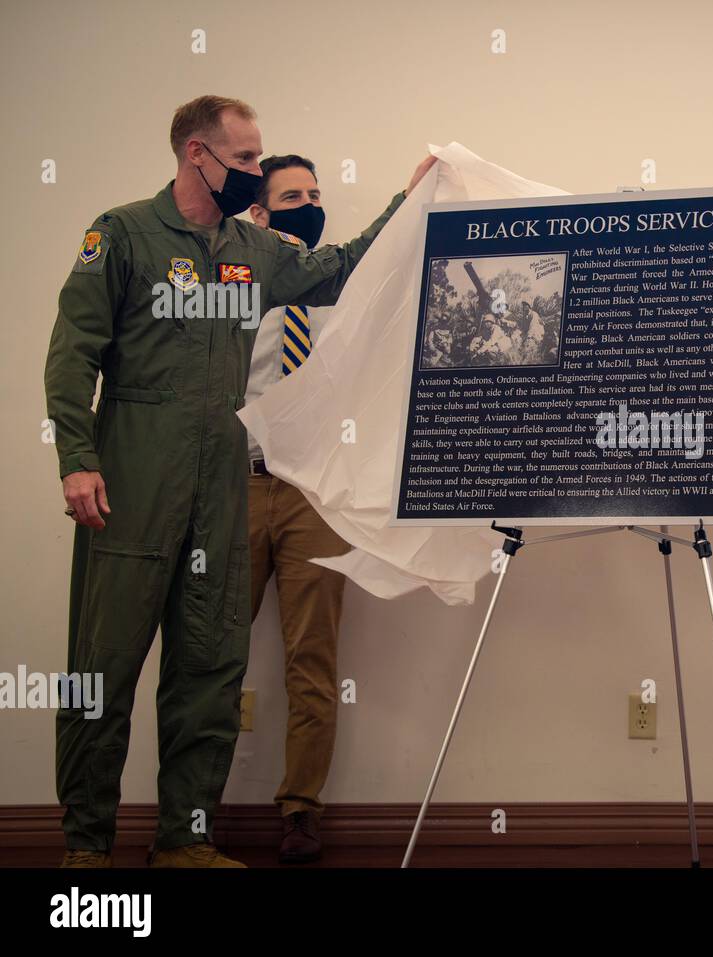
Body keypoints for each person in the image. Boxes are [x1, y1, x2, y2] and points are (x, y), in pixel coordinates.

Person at [46, 95, 435, 867]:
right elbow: (72, 352)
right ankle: (85, 845)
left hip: (222, 477)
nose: (257, 173)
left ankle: (185, 839)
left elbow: (341, 267)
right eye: (248, 160)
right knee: (104, 664)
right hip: (135, 470)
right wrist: (77, 458)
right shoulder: (121, 233)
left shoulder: (249, 252)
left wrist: (413, 198)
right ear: (199, 154)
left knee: (210, 665)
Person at [243, 154, 349, 865]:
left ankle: (301, 812)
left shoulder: (344, 288)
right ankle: (187, 816)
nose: (307, 206)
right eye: (290, 196)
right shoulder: (235, 289)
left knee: (311, 657)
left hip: (316, 489)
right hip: (238, 486)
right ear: (258, 212)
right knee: (210, 656)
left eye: (314, 194)